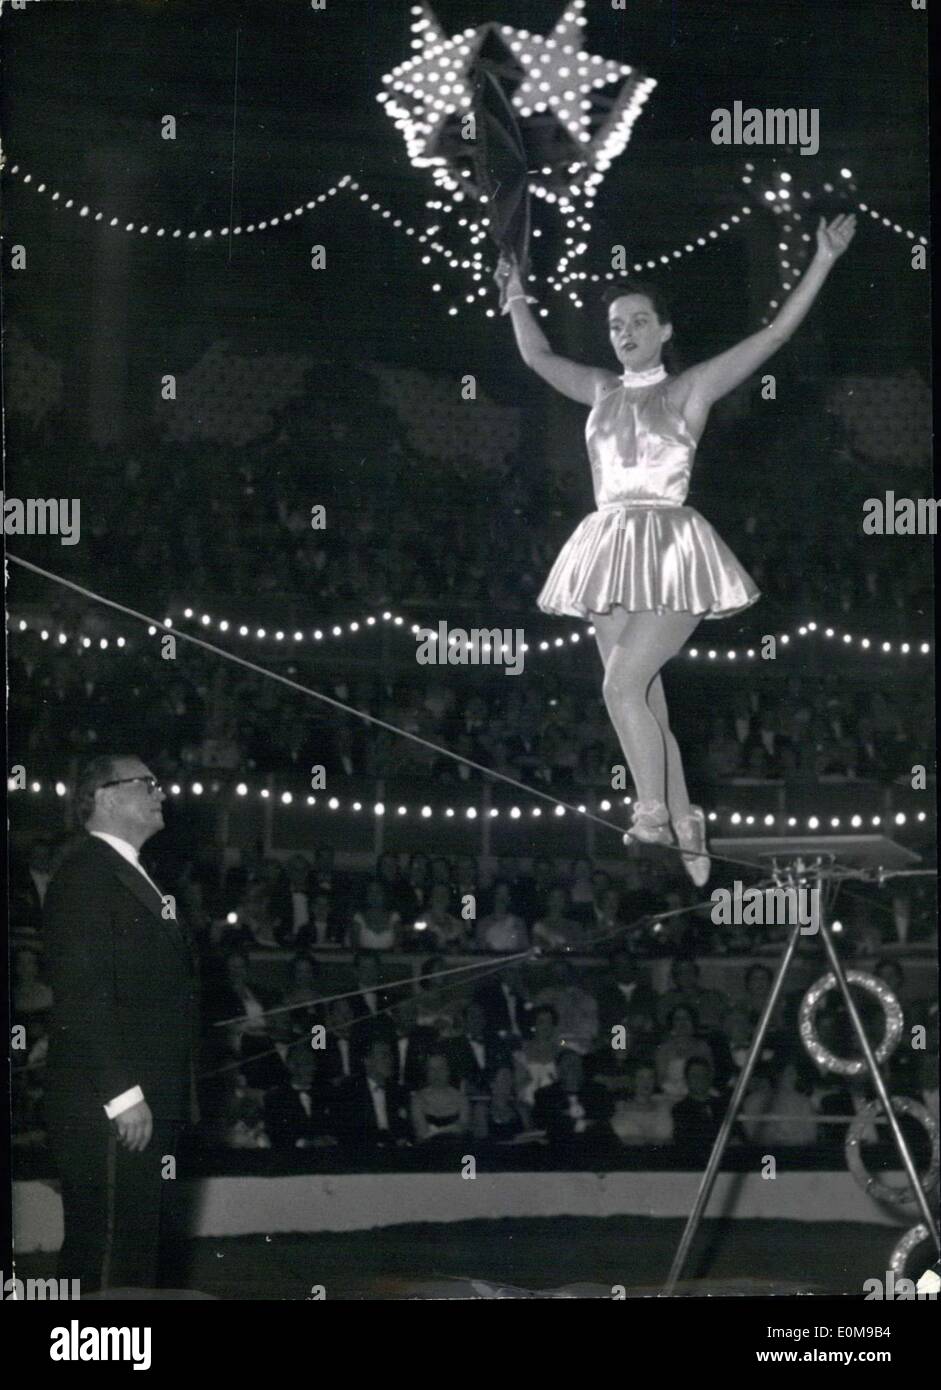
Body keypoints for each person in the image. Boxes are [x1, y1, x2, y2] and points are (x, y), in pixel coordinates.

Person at [497, 213, 856, 885]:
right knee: (644, 699)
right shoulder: (601, 392)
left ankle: (654, 811)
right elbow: (537, 358)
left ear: (663, 330)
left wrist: (822, 261)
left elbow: (774, 333)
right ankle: (686, 817)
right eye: (614, 325)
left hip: (669, 548)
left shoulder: (687, 390)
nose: (624, 333)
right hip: (605, 546)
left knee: (619, 685)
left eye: (637, 321)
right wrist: (515, 294)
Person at [44, 755, 199, 1293]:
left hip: (139, 1098)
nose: (161, 793)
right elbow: (82, 994)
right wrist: (122, 1094)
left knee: (130, 1251)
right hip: (113, 1106)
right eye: (147, 784)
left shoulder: (128, 873)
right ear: (106, 796)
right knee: (109, 1251)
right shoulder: (87, 874)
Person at [410, 1052, 470, 1143]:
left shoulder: (461, 1099)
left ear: (448, 1071)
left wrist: (436, 1131)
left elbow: (463, 1129)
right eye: (432, 1069)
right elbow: (422, 1133)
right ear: (426, 1072)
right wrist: (451, 1128)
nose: (436, 1073)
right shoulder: (418, 1099)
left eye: (441, 1068)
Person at [610, 1060, 673, 1146]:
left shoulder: (664, 1106)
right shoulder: (621, 1108)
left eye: (650, 1077)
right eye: (641, 1077)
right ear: (633, 1080)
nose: (646, 1082)